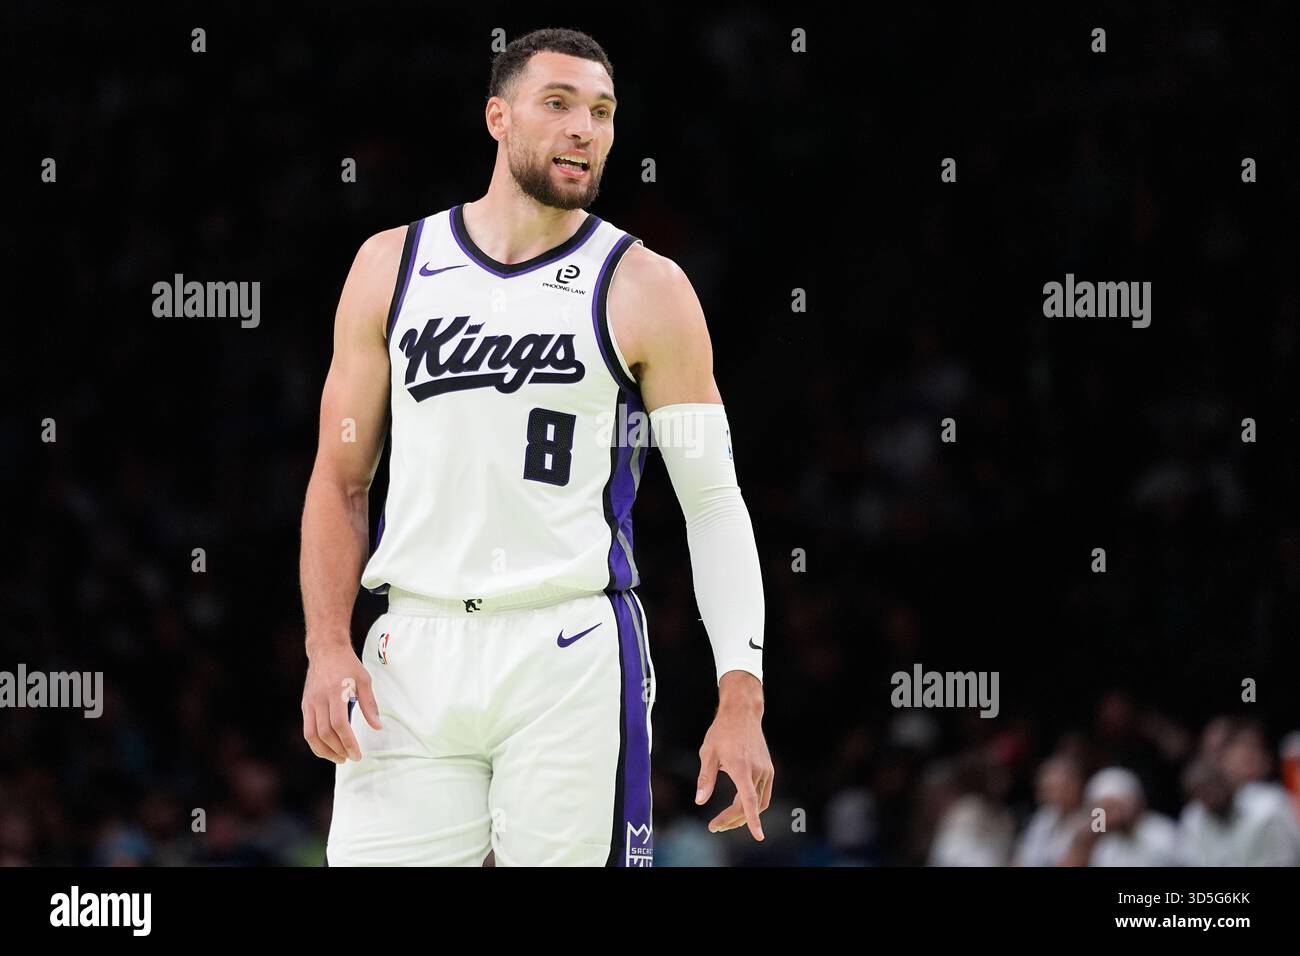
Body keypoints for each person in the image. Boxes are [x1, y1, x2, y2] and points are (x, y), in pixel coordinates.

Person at [299, 27, 772, 866]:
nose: (584, 129)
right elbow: (341, 479)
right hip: (411, 649)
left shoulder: (648, 286)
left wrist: (742, 693)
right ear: (498, 118)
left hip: (571, 649)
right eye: (557, 104)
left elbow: (712, 500)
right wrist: (327, 643)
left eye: (602, 111)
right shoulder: (390, 266)